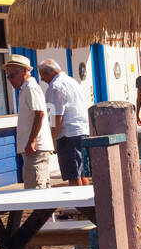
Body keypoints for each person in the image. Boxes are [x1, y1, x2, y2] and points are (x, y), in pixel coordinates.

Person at [5, 54, 54, 189]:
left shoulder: (31, 88)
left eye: (12, 76)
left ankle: (44, 211)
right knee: (40, 188)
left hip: (35, 148)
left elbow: (40, 114)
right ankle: (47, 211)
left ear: (24, 72)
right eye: (8, 77)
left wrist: (32, 141)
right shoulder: (25, 89)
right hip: (32, 148)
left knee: (35, 188)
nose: (10, 80)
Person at [39, 58, 90, 187]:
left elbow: (56, 116)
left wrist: (53, 140)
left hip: (68, 135)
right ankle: (88, 205)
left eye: (42, 78)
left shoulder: (55, 87)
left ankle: (79, 203)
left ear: (46, 74)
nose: (44, 81)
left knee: (73, 175)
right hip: (82, 130)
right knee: (82, 172)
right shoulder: (72, 82)